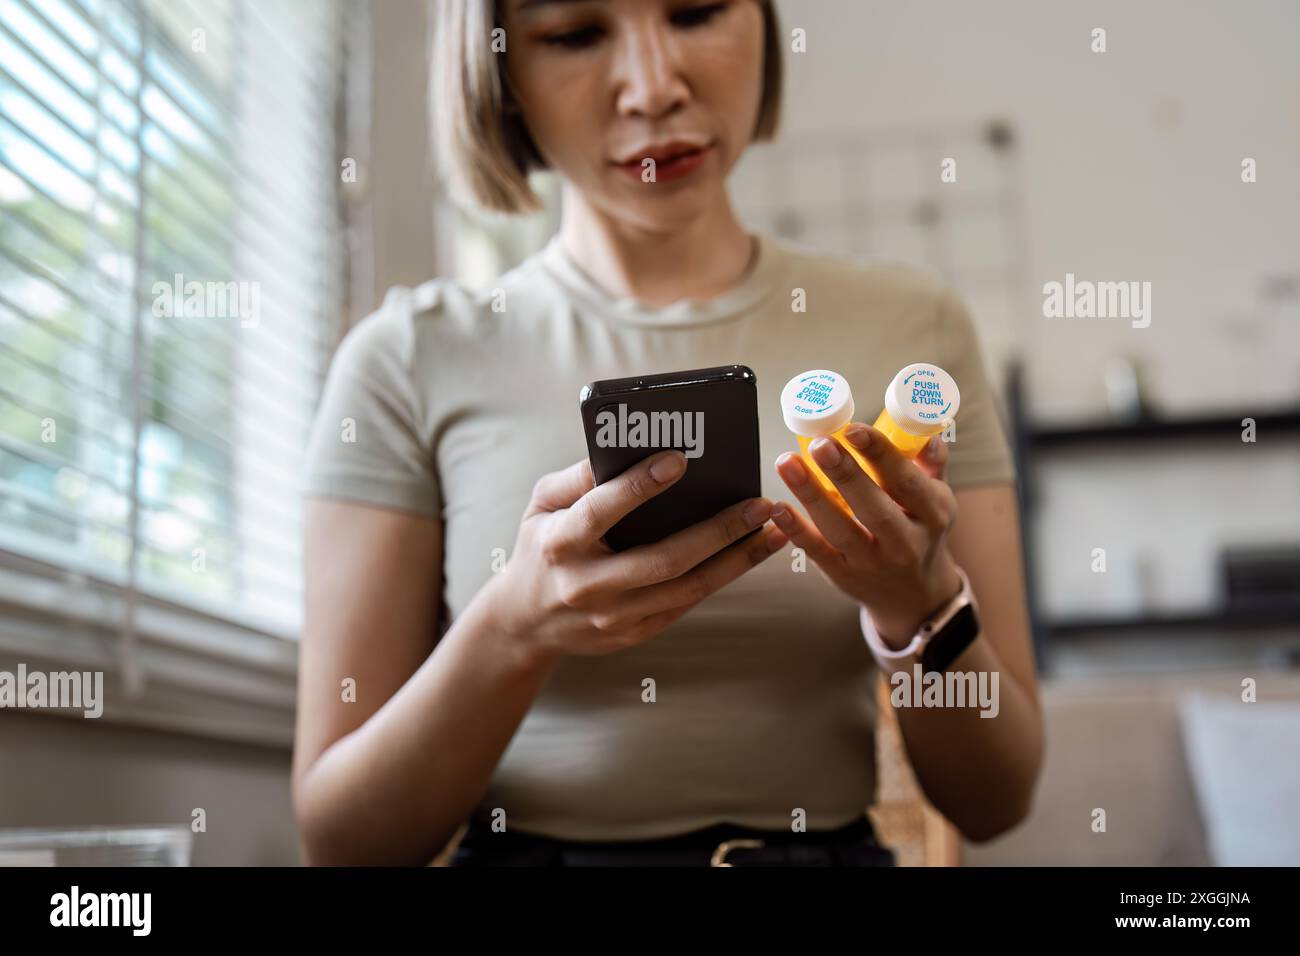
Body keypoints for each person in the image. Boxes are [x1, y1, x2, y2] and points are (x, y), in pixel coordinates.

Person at [291, 0, 1044, 867]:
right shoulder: (405, 359)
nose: (654, 89)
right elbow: (343, 846)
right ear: (498, 74)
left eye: (696, 12)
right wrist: (513, 629)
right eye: (575, 34)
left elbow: (998, 801)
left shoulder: (921, 331)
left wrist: (921, 608)